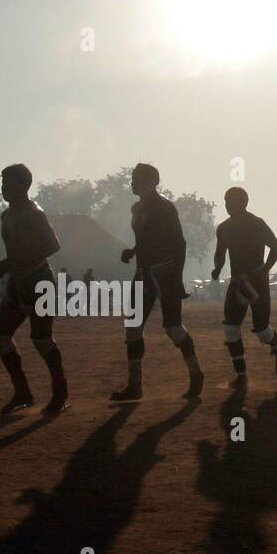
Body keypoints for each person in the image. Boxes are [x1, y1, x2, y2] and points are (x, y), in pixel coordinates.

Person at [110, 163, 203, 400]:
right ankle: (135, 385)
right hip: (143, 273)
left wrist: (177, 277)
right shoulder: (137, 208)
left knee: (173, 328)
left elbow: (178, 243)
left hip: (165, 273)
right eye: (132, 178)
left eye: (136, 178)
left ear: (151, 181)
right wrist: (132, 251)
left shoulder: (164, 207)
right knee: (132, 328)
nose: (131, 183)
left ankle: (196, 373)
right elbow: (146, 238)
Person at [0, 164, 70, 415]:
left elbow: (53, 245)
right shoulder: (7, 215)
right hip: (19, 282)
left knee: (42, 339)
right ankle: (22, 392)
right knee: (1, 335)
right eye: (2, 182)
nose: (3, 187)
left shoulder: (34, 213)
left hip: (39, 281)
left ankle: (60, 394)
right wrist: (12, 273)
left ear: (23, 186)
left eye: (8, 182)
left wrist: (13, 263)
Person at [210, 186, 277, 386]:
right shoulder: (224, 228)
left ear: (243, 203)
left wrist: (265, 269)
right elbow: (220, 253)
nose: (227, 205)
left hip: (257, 282)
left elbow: (276, 247)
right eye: (226, 201)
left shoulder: (257, 224)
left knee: (262, 329)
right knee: (230, 328)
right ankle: (241, 376)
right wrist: (217, 269)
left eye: (231, 201)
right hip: (237, 282)